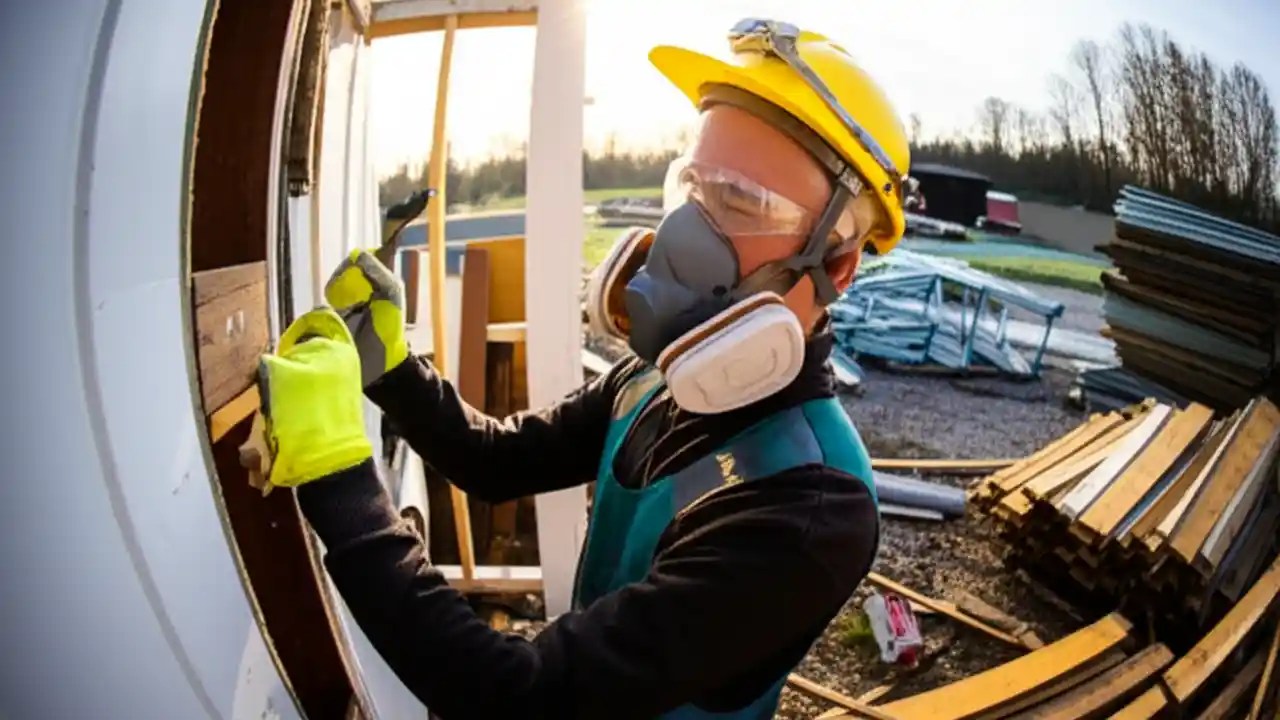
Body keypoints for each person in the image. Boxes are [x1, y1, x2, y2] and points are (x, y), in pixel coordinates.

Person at [256, 18, 911, 719]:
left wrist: (342, 486)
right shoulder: (659, 378)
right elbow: (497, 460)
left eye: (740, 201)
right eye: (694, 189)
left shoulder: (811, 508)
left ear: (837, 264)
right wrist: (392, 371)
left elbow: (528, 698)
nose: (685, 232)